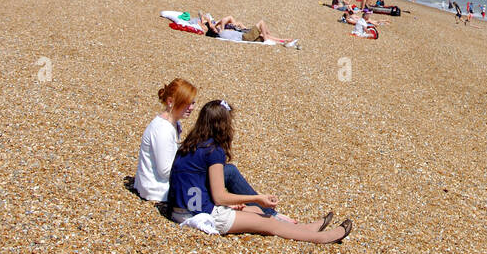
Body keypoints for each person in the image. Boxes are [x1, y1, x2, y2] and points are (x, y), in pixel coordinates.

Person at [169, 100, 350, 242]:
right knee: (268, 222)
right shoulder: (213, 150)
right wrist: (257, 198)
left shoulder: (190, 144)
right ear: (222, 125)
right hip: (199, 214)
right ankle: (321, 238)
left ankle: (305, 229)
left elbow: (195, 185)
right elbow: (220, 197)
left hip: (181, 208)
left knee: (254, 212)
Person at [133, 79, 279, 218]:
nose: (191, 108)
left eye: (193, 103)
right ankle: (270, 213)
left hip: (169, 184)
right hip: (159, 190)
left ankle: (262, 209)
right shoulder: (162, 130)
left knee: (223, 171)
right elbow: (165, 171)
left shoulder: (172, 123)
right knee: (228, 172)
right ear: (170, 101)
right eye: (186, 103)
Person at [200, 12, 279, 43]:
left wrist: (213, 24)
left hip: (244, 36)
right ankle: (266, 42)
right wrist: (209, 21)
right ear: (214, 31)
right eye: (214, 29)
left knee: (263, 36)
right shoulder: (221, 32)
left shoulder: (221, 32)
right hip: (245, 36)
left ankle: (283, 41)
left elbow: (212, 27)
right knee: (261, 23)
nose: (215, 28)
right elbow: (213, 26)